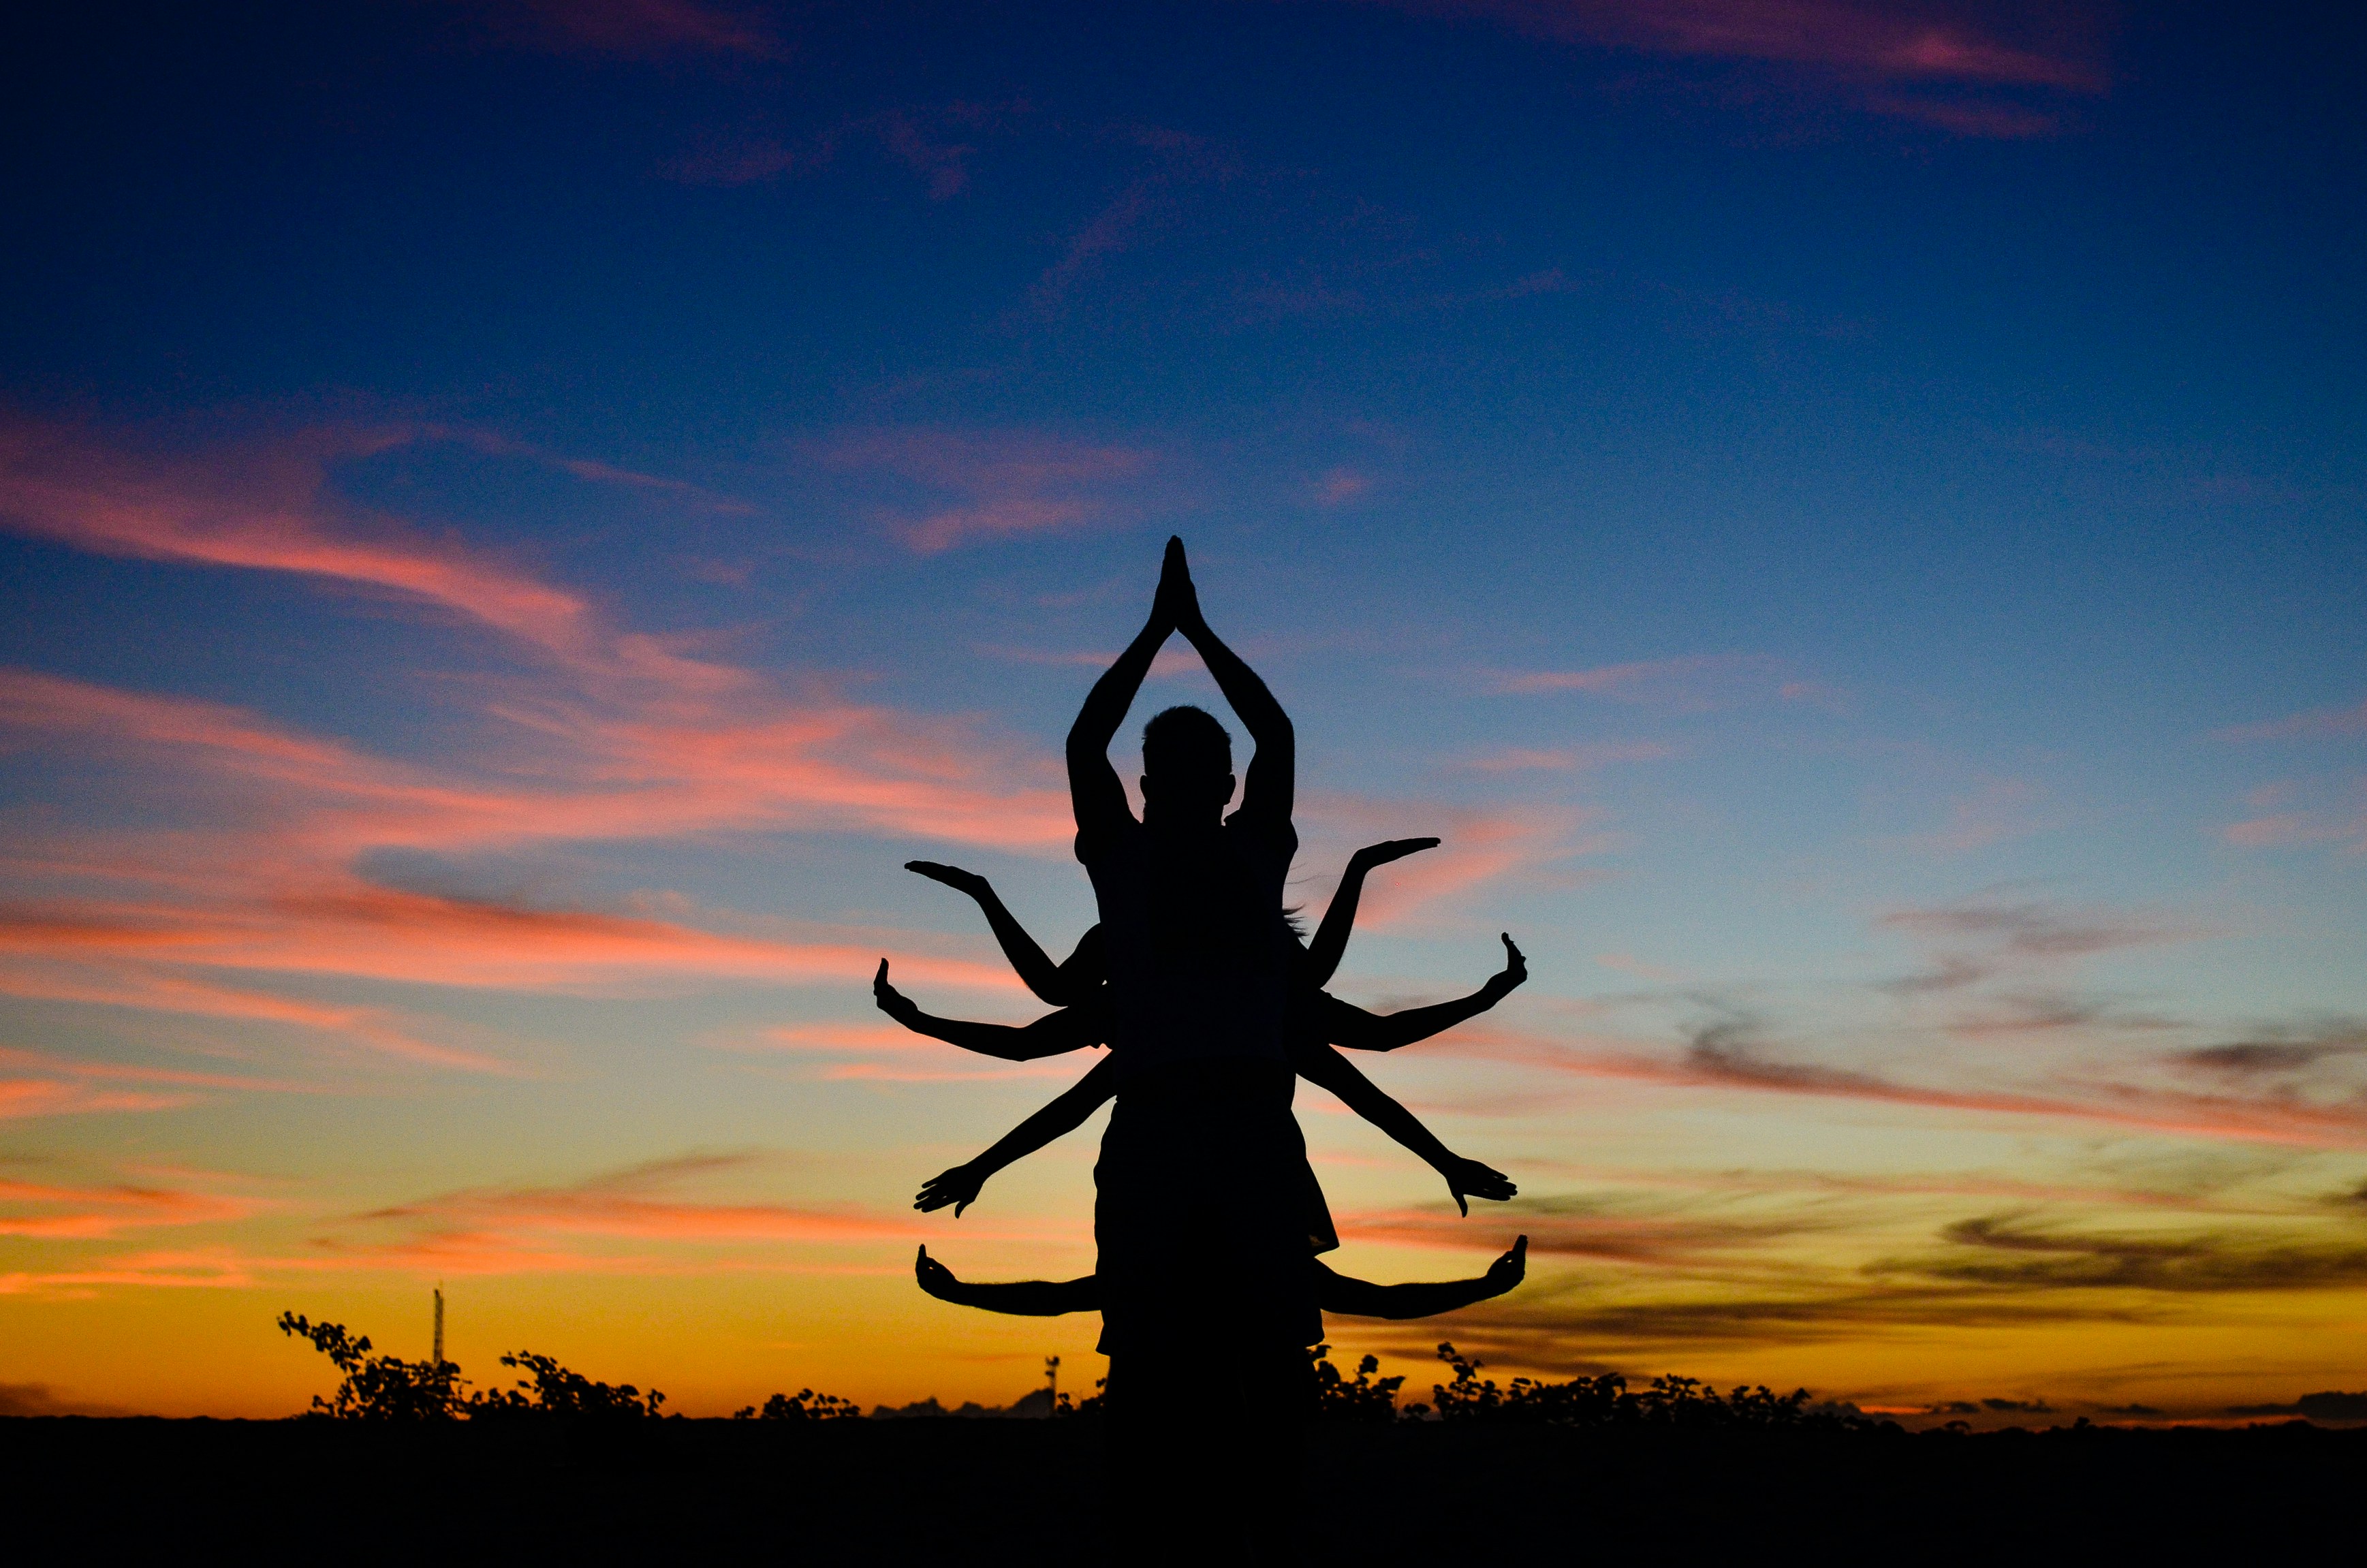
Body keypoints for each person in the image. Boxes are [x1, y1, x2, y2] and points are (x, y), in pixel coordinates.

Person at [913, 1236, 1528, 1322]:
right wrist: (1483, 1288)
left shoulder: (1268, 1259)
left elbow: (1063, 1299)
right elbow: (1378, 1302)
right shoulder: (1270, 1259)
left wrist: (959, 1293)